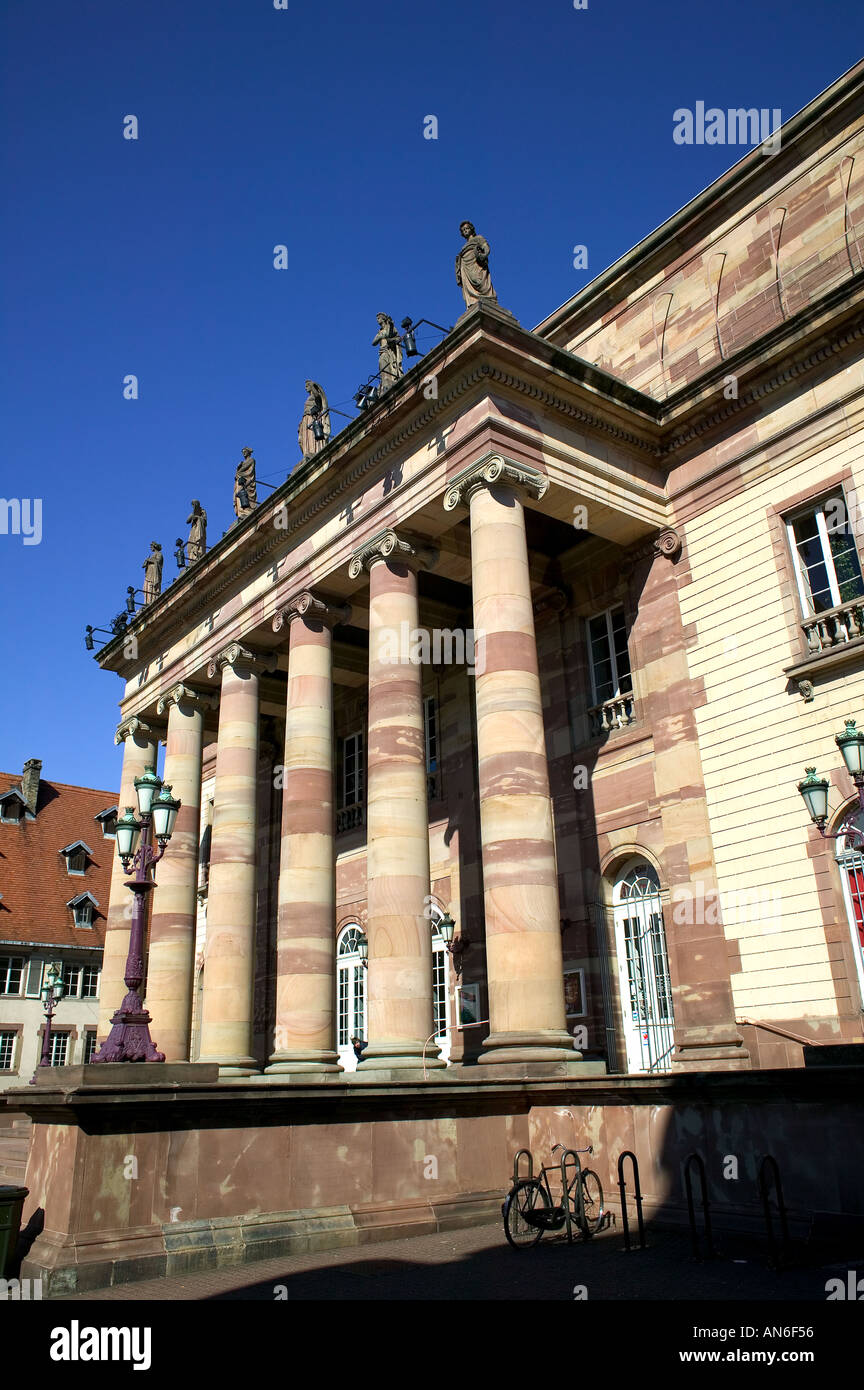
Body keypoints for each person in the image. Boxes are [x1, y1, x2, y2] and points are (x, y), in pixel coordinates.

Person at [455, 220, 497, 308]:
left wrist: (484, 255)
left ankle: (487, 299)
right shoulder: (464, 247)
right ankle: (473, 301)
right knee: (469, 285)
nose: (465, 231)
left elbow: (486, 247)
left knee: (479, 281)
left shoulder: (478, 238)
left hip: (476, 263)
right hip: (466, 266)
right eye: (463, 230)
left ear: (471, 229)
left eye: (466, 228)